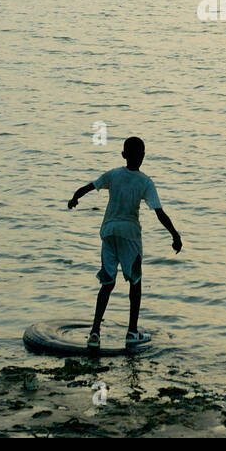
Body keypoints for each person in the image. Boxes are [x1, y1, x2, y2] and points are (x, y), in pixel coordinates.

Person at [67, 136, 181, 349]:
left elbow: (89, 187)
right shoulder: (145, 182)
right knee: (135, 282)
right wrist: (175, 235)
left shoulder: (114, 174)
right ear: (143, 157)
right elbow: (159, 212)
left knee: (107, 283)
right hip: (130, 235)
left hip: (109, 232)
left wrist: (74, 198)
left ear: (123, 155)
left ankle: (94, 333)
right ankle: (132, 331)